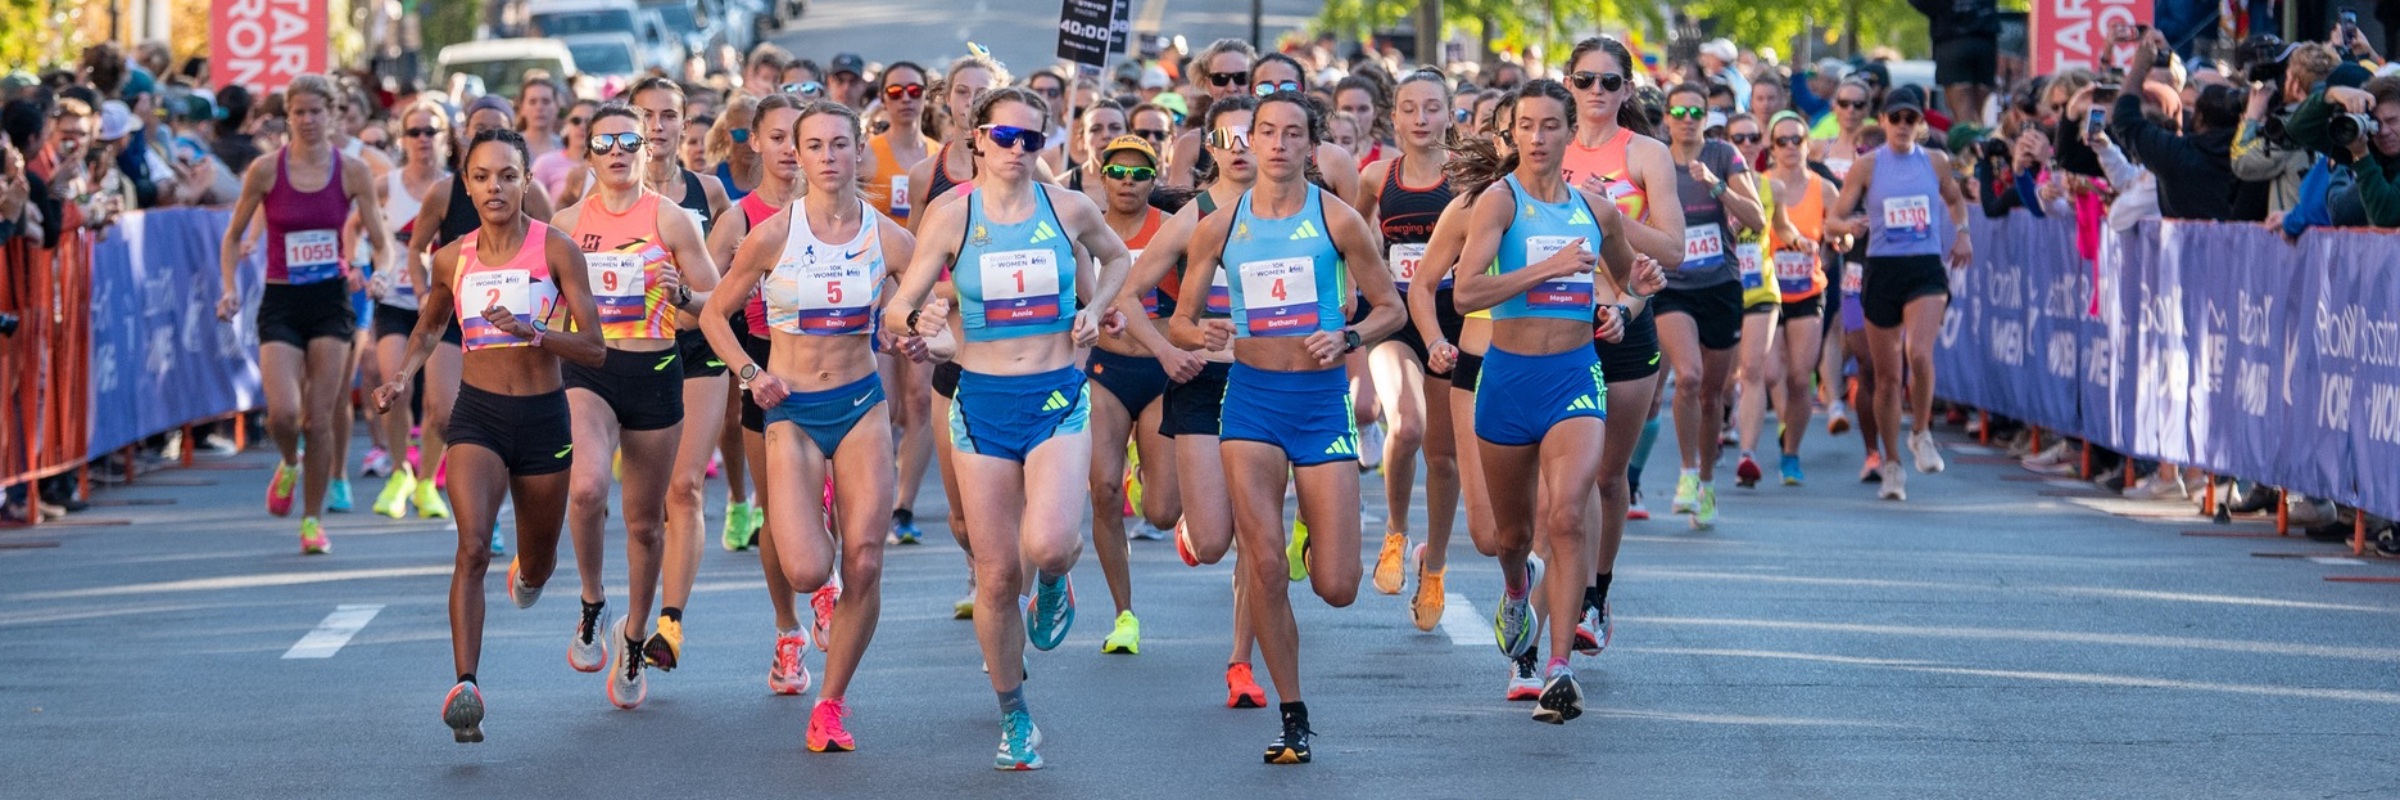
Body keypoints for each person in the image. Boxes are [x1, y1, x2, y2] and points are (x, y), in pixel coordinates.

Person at [883, 85, 1135, 771]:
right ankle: (1015, 713)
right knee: (995, 579)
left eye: (1031, 139)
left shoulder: (1069, 208)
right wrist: (917, 322)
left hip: (1056, 394)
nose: (1017, 150)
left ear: (1046, 143)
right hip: (981, 401)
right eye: (1004, 137)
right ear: (977, 139)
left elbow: (1118, 260)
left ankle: (1055, 579)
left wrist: (1097, 309)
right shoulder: (951, 213)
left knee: (1050, 543)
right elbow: (898, 308)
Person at [1168, 90, 1402, 765]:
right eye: (1263, 132)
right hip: (1251, 407)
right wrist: (1201, 329)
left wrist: (1349, 335)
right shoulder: (1220, 224)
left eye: (1289, 133)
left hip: (1321, 404)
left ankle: (1313, 537)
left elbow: (1389, 306)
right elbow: (1181, 319)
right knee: (1263, 564)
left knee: (1337, 586)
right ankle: (1293, 712)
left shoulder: (1339, 220)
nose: (1273, 144)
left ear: (1309, 145)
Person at [701, 99, 923, 752]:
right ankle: (817, 563)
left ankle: (830, 701)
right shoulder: (773, 234)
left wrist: (915, 328)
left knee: (867, 558)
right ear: (798, 156)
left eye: (840, 144)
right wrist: (749, 374)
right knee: (805, 569)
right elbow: (715, 315)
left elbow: (932, 297)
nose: (829, 157)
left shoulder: (886, 236)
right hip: (791, 412)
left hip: (860, 406)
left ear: (860, 152)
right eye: (816, 146)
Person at [374, 127, 607, 743]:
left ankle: (529, 574)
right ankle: (466, 687)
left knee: (538, 563)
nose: (495, 187)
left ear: (526, 179)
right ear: (466, 183)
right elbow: (428, 327)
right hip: (477, 415)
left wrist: (534, 332)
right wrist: (401, 379)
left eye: (508, 174)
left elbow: (594, 347)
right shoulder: (452, 257)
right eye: (482, 176)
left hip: (542, 419)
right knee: (473, 546)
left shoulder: (556, 249)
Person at [1453, 77, 1647, 725]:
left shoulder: (1598, 209)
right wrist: (1548, 268)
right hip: (1508, 380)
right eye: (1526, 127)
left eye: (1550, 126)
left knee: (1566, 517)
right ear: (1513, 135)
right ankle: (1516, 590)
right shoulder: (1498, 203)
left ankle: (1559, 668)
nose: (1538, 137)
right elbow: (1466, 294)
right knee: (1511, 536)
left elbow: (1628, 278)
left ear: (1570, 134)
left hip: (1574, 377)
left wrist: (1618, 308)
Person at [549, 101, 718, 705]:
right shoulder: (565, 224)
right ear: (588, 155)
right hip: (591, 367)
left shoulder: (672, 220)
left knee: (646, 524)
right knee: (588, 487)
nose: (617, 152)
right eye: (604, 143)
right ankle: (593, 600)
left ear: (647, 149)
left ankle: (634, 635)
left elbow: (714, 305)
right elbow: (544, 302)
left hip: (654, 371)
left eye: (627, 141)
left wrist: (686, 295)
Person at [1121, 94, 1271, 708]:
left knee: (1258, 536)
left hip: (1271, 385)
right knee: (1214, 542)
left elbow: (1344, 297)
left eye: (1250, 137)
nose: (1240, 151)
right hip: (1203, 383)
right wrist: (1165, 350)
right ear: (1208, 149)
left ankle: (1241, 662)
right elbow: (1128, 295)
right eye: (1227, 140)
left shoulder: (1306, 212)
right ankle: (1187, 518)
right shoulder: (1194, 216)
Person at [214, 73, 393, 554]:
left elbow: (382, 240)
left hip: (331, 299)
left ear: (332, 115)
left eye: (317, 112)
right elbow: (233, 236)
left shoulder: (352, 171)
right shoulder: (266, 170)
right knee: (284, 414)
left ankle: (312, 521)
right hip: (282, 299)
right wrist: (229, 288)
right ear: (287, 116)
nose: (308, 121)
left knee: (319, 418)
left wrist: (379, 273)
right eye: (299, 112)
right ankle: (288, 461)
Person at [1559, 35, 1685, 664]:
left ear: (1628, 90)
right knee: (1565, 480)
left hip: (1627, 322)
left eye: (1611, 82)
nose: (1598, 93)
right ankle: (1565, 593)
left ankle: (1595, 597)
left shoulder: (1647, 154)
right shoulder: (1546, 145)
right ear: (1568, 85)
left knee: (1606, 475)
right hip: (1555, 325)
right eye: (1586, 81)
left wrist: (1609, 217)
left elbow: (1672, 249)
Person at [698, 93, 817, 693]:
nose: (793, 149)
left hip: (835, 377)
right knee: (778, 515)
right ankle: (787, 632)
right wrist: (679, 294)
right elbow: (706, 302)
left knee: (834, 511)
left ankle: (824, 589)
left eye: (806, 136)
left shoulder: (845, 214)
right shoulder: (740, 219)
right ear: (756, 144)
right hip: (765, 378)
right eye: (779, 137)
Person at [406, 97, 561, 530]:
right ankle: (478, 509)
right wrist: (424, 291)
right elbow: (418, 247)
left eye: (496, 129)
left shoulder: (532, 194)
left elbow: (558, 248)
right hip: (459, 315)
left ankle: (499, 502)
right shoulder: (445, 191)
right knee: (442, 411)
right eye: (477, 129)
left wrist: (551, 318)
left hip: (519, 324)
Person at [1825, 85, 1972, 500]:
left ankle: (1922, 433)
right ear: (1884, 122)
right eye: (1897, 118)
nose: (1904, 126)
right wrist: (1849, 226)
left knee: (1920, 354)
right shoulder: (1868, 167)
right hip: (1882, 270)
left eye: (1912, 119)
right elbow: (1833, 220)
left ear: (1921, 124)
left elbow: (1956, 201)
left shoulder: (1937, 162)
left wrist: (1962, 234)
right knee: (1887, 378)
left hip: (1924, 268)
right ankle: (1891, 463)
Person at [1349, 69, 1458, 611]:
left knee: (1443, 458)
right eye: (1410, 108)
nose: (1421, 119)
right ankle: (1395, 531)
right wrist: (1354, 288)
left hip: (1453, 321)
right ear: (1393, 118)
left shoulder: (1467, 180)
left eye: (1432, 108)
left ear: (1450, 115)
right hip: (1395, 319)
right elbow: (1350, 235)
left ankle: (1433, 563)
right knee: (1406, 423)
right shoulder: (1376, 177)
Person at [1081, 134, 1184, 656]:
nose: (1128, 182)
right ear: (1100, 175)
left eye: (1139, 174)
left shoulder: (1171, 231)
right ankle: (1124, 613)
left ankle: (1145, 473)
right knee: (1102, 489)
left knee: (1164, 513)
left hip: (1162, 374)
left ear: (1155, 178)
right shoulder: (1085, 230)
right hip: (1104, 370)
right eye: (1117, 172)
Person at [1652, 82, 1766, 529]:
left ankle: (1706, 480)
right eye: (1678, 111)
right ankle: (1684, 474)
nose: (1686, 118)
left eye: (1695, 111)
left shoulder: (1722, 155)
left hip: (1719, 282)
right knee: (1689, 376)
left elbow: (1757, 218)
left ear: (1706, 118)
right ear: (1666, 116)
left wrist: (1717, 186)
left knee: (1712, 393)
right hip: (1672, 284)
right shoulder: (1655, 157)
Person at [366, 100, 452, 519]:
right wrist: (360, 263)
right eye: (414, 132)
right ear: (402, 140)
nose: (422, 139)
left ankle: (426, 481)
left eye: (430, 132)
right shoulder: (387, 186)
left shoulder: (457, 187)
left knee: (441, 404)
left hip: (442, 305)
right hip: (397, 301)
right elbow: (353, 226)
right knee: (395, 387)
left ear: (445, 138)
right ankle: (400, 469)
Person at [1759, 111, 1834, 485]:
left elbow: (1838, 229)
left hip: (1807, 290)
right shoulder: (1761, 184)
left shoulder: (1824, 187)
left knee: (1800, 378)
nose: (1790, 147)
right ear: (1771, 148)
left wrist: (1842, 238)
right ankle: (1776, 430)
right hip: (1768, 291)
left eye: (1797, 140)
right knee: (1771, 372)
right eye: (1782, 141)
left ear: (1808, 145)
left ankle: (1791, 454)